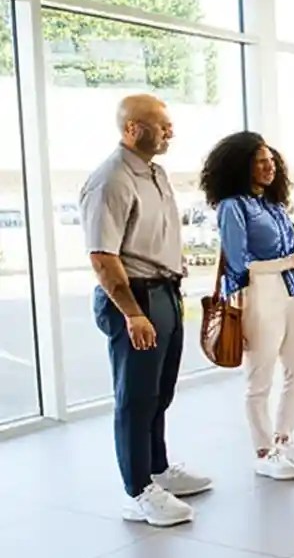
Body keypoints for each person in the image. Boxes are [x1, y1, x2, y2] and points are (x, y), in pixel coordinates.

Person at [81, 93, 212, 527]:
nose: (170, 131)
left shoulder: (155, 173)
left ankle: (158, 469)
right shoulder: (111, 179)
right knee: (135, 399)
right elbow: (103, 256)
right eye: (161, 124)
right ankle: (137, 491)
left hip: (165, 291)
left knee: (160, 392)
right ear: (132, 129)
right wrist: (133, 313)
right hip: (134, 297)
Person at [200, 132, 294, 481]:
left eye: (271, 160)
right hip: (259, 293)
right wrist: (286, 261)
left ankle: (284, 438)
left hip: (291, 291)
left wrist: (293, 258)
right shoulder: (232, 206)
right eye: (260, 161)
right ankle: (264, 452)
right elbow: (239, 263)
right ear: (241, 166)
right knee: (260, 378)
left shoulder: (273, 203)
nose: (269, 167)